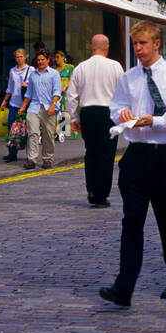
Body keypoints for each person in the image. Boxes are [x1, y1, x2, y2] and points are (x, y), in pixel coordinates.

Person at [99, 20, 166, 307]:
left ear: (157, 43)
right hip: (137, 156)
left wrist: (155, 120)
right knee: (131, 222)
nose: (138, 49)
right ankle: (123, 287)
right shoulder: (128, 77)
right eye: (134, 44)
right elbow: (115, 107)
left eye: (143, 43)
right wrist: (121, 114)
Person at [67, 35, 125, 207]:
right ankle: (102, 194)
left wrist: (74, 118)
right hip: (108, 113)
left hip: (88, 113)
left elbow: (71, 96)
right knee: (106, 155)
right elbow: (123, 92)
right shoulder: (115, 66)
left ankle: (91, 190)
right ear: (107, 48)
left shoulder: (81, 67)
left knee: (91, 153)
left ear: (91, 48)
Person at [19, 48, 63, 169]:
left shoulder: (54, 74)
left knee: (48, 134)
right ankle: (31, 159)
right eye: (38, 60)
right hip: (34, 107)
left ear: (48, 60)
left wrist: (53, 106)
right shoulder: (33, 74)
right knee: (32, 133)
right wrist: (23, 107)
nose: (40, 62)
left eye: (42, 59)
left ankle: (47, 158)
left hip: (49, 108)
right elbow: (29, 93)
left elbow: (57, 91)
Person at [0, 48, 31, 162]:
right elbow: (10, 88)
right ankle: (12, 153)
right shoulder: (12, 71)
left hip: (26, 104)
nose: (19, 59)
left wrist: (27, 85)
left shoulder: (31, 70)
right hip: (14, 103)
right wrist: (5, 100)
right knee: (11, 128)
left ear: (25, 57)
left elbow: (35, 87)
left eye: (21, 56)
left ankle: (30, 155)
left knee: (27, 130)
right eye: (17, 57)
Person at [54, 50, 75, 142]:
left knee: (65, 111)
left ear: (63, 57)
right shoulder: (54, 70)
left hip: (66, 92)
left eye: (58, 57)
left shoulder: (70, 67)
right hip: (57, 92)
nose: (56, 59)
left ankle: (62, 132)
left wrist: (66, 86)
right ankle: (57, 132)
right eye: (55, 57)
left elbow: (73, 78)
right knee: (57, 111)